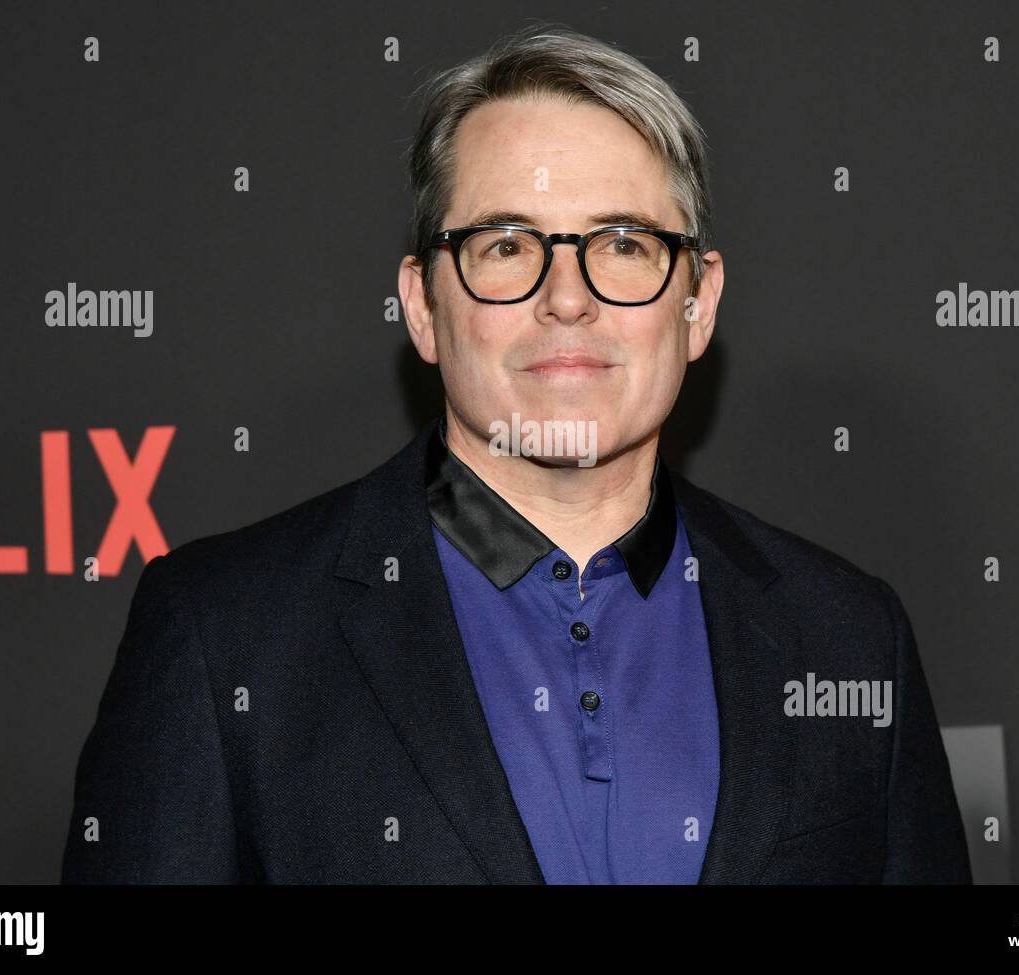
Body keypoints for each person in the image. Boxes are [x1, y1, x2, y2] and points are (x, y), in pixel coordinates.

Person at [61, 23, 971, 884]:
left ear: (698, 303)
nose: (567, 299)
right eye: (507, 245)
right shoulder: (227, 637)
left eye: (623, 244)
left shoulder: (851, 637)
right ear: (422, 305)